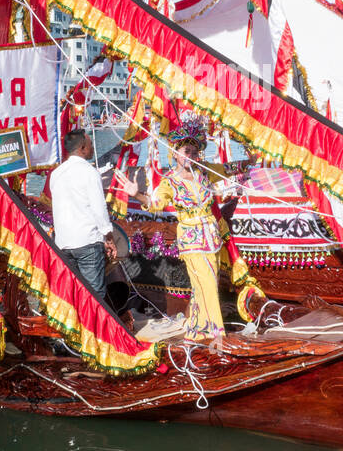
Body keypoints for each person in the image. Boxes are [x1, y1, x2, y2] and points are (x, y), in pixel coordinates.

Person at [121, 120, 226, 345]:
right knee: (206, 283)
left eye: (194, 152)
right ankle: (217, 335)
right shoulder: (170, 182)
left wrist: (251, 160)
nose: (190, 156)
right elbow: (155, 202)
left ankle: (198, 329)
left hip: (212, 239)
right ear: (176, 153)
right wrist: (136, 194)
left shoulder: (205, 174)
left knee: (206, 286)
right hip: (192, 240)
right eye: (186, 151)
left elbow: (231, 169)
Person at [48, 130, 116, 304]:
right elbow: (99, 208)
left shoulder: (56, 174)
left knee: (70, 295)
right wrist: (108, 236)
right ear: (83, 148)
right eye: (90, 144)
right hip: (87, 242)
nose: (93, 147)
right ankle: (92, 330)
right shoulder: (89, 172)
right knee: (94, 296)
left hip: (63, 242)